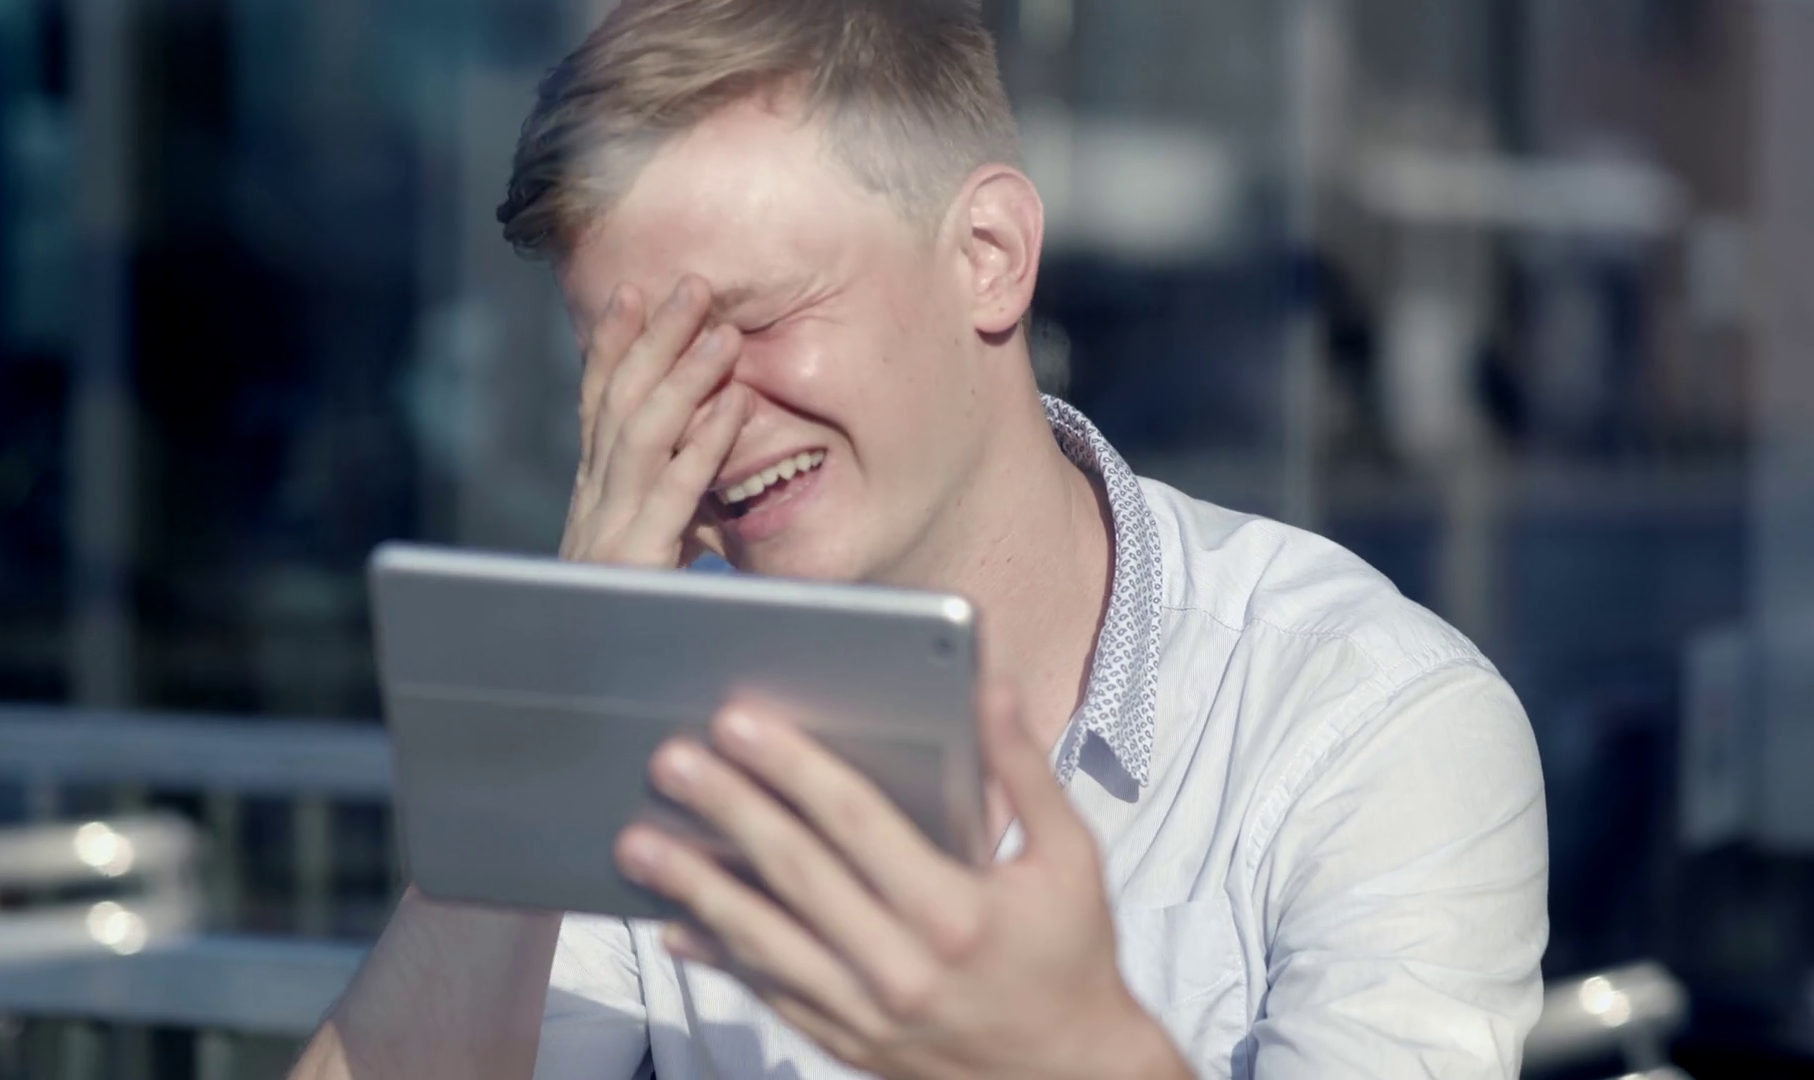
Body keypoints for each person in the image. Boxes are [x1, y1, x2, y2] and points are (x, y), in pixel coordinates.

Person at [290, 1, 1548, 1077]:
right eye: (635, 368)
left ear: (989, 258)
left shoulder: (1369, 722)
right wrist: (566, 693)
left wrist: (1075, 1048)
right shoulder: (662, 705)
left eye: (756, 318)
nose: (697, 421)